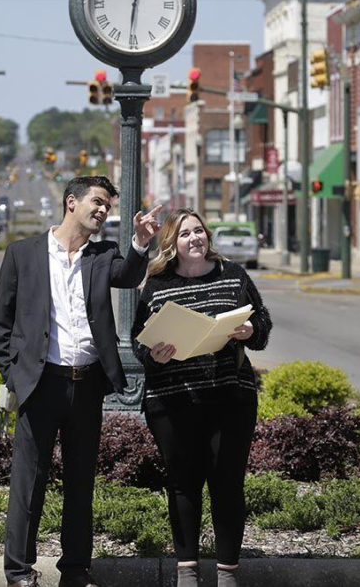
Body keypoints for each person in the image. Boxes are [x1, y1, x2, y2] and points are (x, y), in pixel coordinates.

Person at [0, 176, 162, 587]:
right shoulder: (23, 253)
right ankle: (18, 571)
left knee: (81, 482)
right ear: (71, 202)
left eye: (107, 205)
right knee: (27, 482)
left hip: (86, 385)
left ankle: (75, 570)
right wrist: (15, 375)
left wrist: (139, 243)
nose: (103, 210)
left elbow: (127, 275)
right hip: (40, 383)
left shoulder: (103, 254)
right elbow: (1, 323)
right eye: (97, 202)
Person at [131, 209, 273, 587]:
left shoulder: (233, 275)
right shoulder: (157, 284)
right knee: (183, 485)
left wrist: (247, 330)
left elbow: (263, 326)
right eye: (184, 234)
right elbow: (138, 341)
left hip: (230, 397)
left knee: (227, 483)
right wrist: (152, 354)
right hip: (173, 401)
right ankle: (187, 571)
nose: (194, 238)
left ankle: (227, 574)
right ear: (171, 245)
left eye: (198, 231)